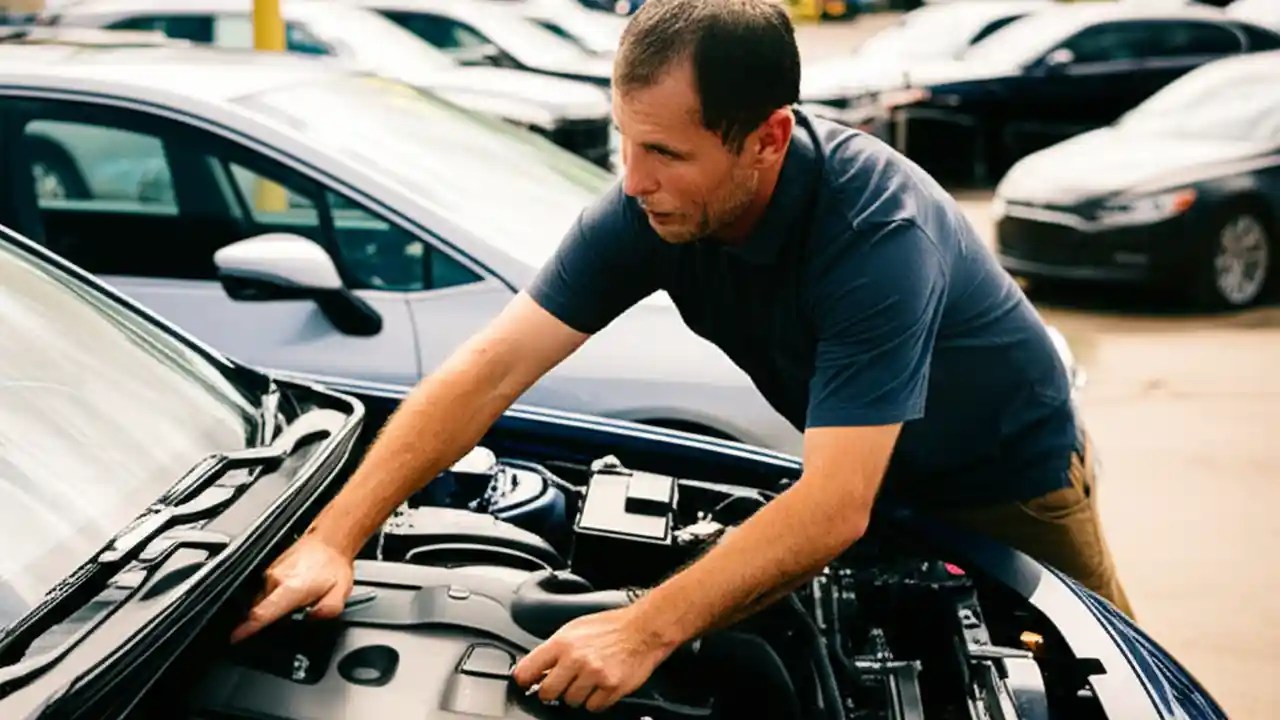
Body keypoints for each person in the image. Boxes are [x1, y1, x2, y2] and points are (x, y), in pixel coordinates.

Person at [230, 0, 1133, 711]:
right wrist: (332, 539)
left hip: (1010, 485)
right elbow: (492, 366)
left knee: (1103, 686)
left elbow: (833, 507)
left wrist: (640, 630)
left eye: (665, 150)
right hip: (860, 468)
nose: (634, 178)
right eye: (625, 140)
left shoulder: (876, 235)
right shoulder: (648, 210)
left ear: (768, 138)